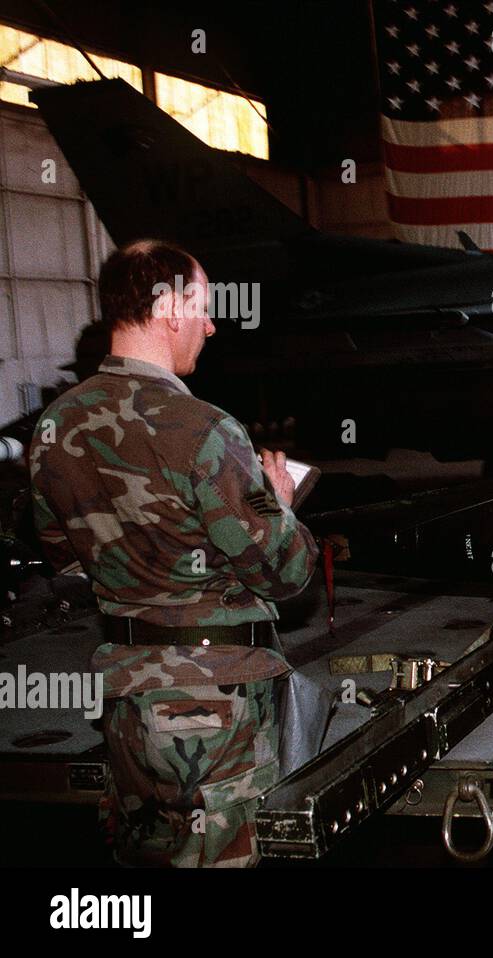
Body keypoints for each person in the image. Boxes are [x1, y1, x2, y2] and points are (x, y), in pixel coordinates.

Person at [27, 239, 318, 867]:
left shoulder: (54, 426)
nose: (211, 325)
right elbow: (287, 572)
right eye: (204, 306)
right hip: (215, 710)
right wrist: (282, 503)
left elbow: (68, 561)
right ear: (168, 307)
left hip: (128, 701)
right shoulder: (205, 429)